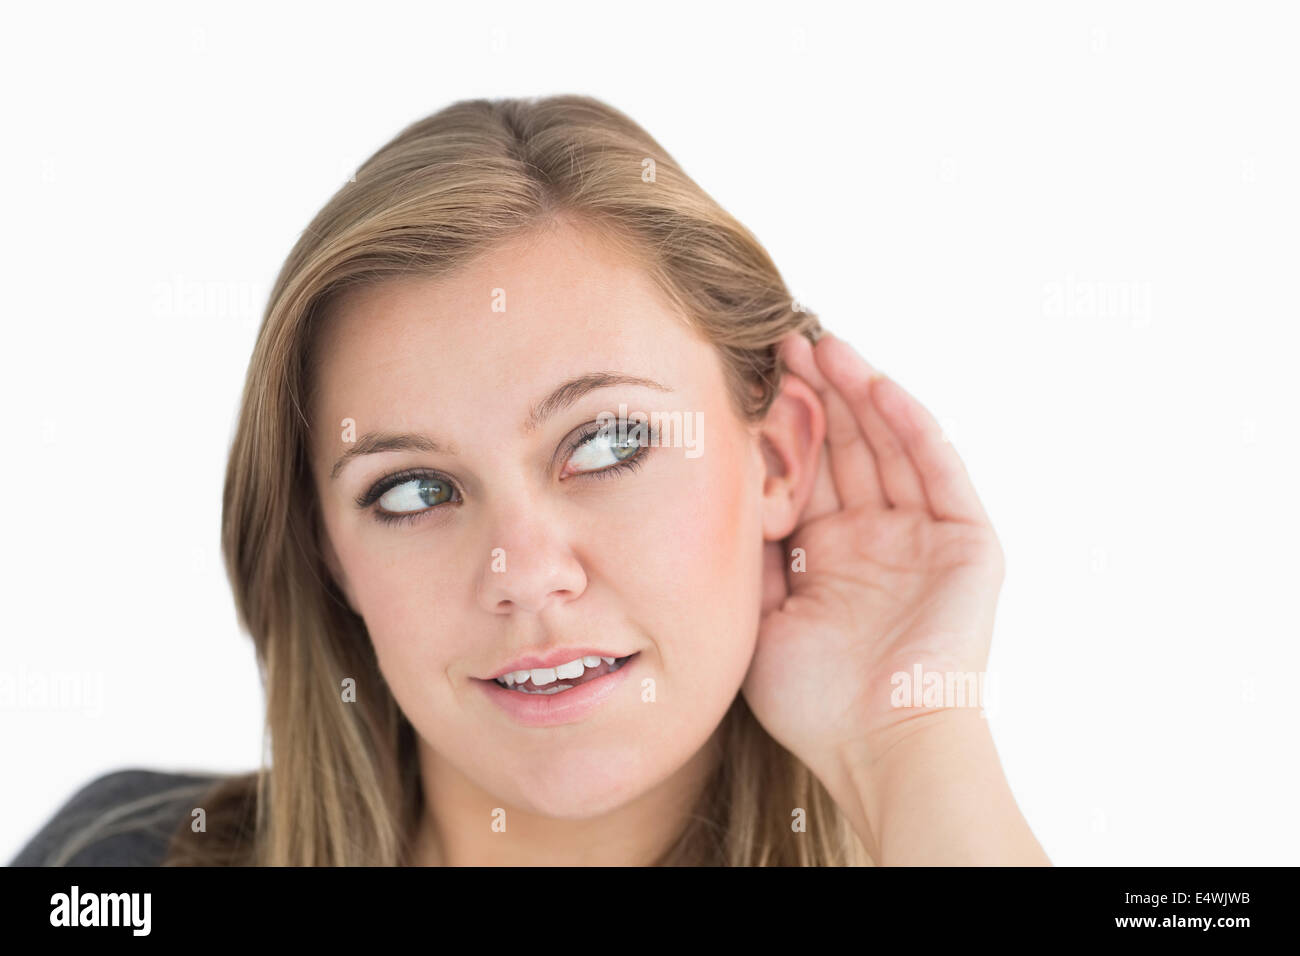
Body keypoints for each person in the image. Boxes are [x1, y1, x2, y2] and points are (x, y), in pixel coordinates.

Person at [11, 94, 1048, 866]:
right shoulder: (118, 867)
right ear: (331, 552)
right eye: (414, 490)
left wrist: (907, 740)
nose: (522, 571)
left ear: (776, 455)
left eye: (604, 444)